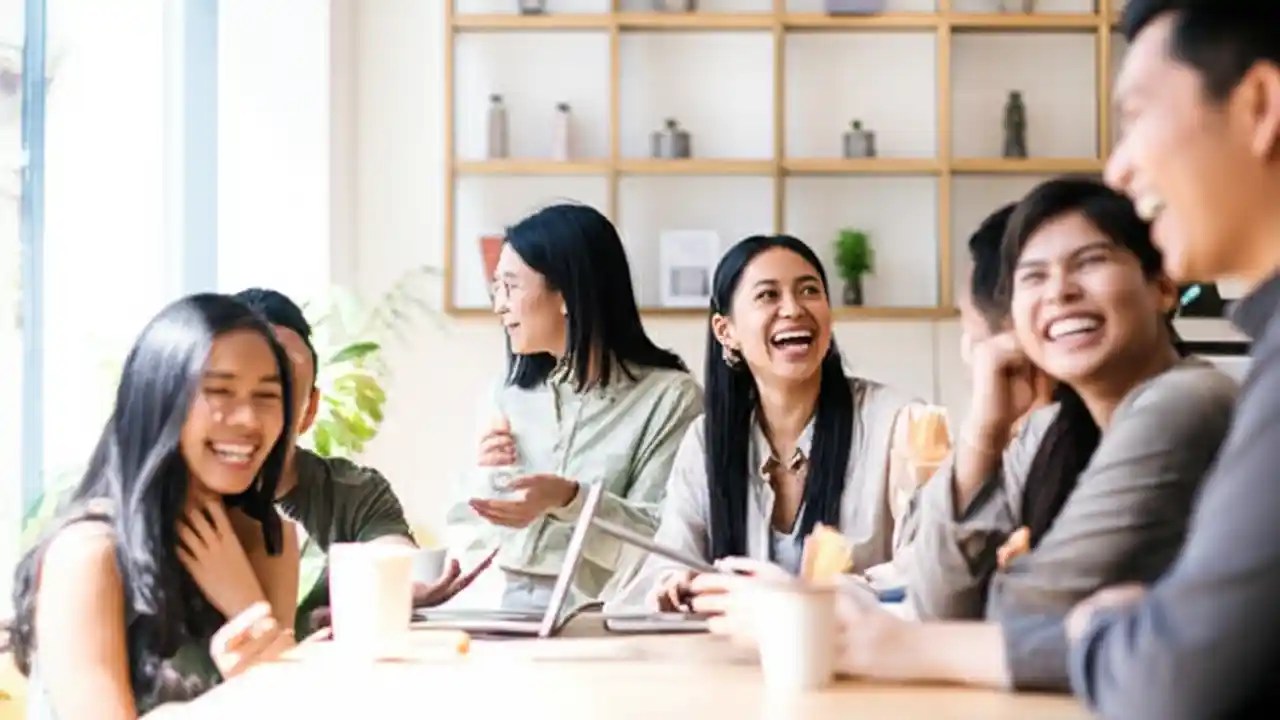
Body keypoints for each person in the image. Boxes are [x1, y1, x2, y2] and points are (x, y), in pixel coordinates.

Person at [708, 178, 1239, 693]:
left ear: (1163, 286)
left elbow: (1021, 612)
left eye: (1090, 262)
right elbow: (941, 602)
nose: (1060, 291)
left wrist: (917, 631)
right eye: (1033, 277)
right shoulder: (1055, 429)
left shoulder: (1183, 404)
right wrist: (985, 429)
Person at [1061, 1, 1280, 716]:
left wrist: (1102, 629)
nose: (1117, 170)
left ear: (1259, 105)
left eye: (1136, 117)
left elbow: (1176, 679)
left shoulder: (1188, 398)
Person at [5, 294, 301, 718]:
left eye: (267, 396)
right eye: (219, 391)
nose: (249, 420)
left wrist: (245, 601)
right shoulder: (89, 556)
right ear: (158, 400)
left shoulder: (267, 539)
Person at [608, 234, 925, 613]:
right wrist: (675, 583)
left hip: (862, 655)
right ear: (726, 332)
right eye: (768, 295)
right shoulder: (707, 441)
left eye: (809, 291)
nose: (792, 309)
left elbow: (927, 563)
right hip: (729, 658)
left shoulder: (898, 423)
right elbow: (673, 555)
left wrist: (805, 598)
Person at [444, 203, 703, 612]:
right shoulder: (505, 393)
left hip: (602, 615)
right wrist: (484, 481)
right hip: (494, 607)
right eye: (496, 288)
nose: (499, 305)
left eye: (510, 287)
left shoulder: (670, 399)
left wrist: (571, 499)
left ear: (565, 294)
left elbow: (661, 543)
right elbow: (466, 531)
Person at [232, 288, 493, 633]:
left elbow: (395, 558)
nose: (254, 414)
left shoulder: (353, 491)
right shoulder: (183, 500)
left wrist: (399, 585)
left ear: (310, 409)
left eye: (279, 390)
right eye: (232, 389)